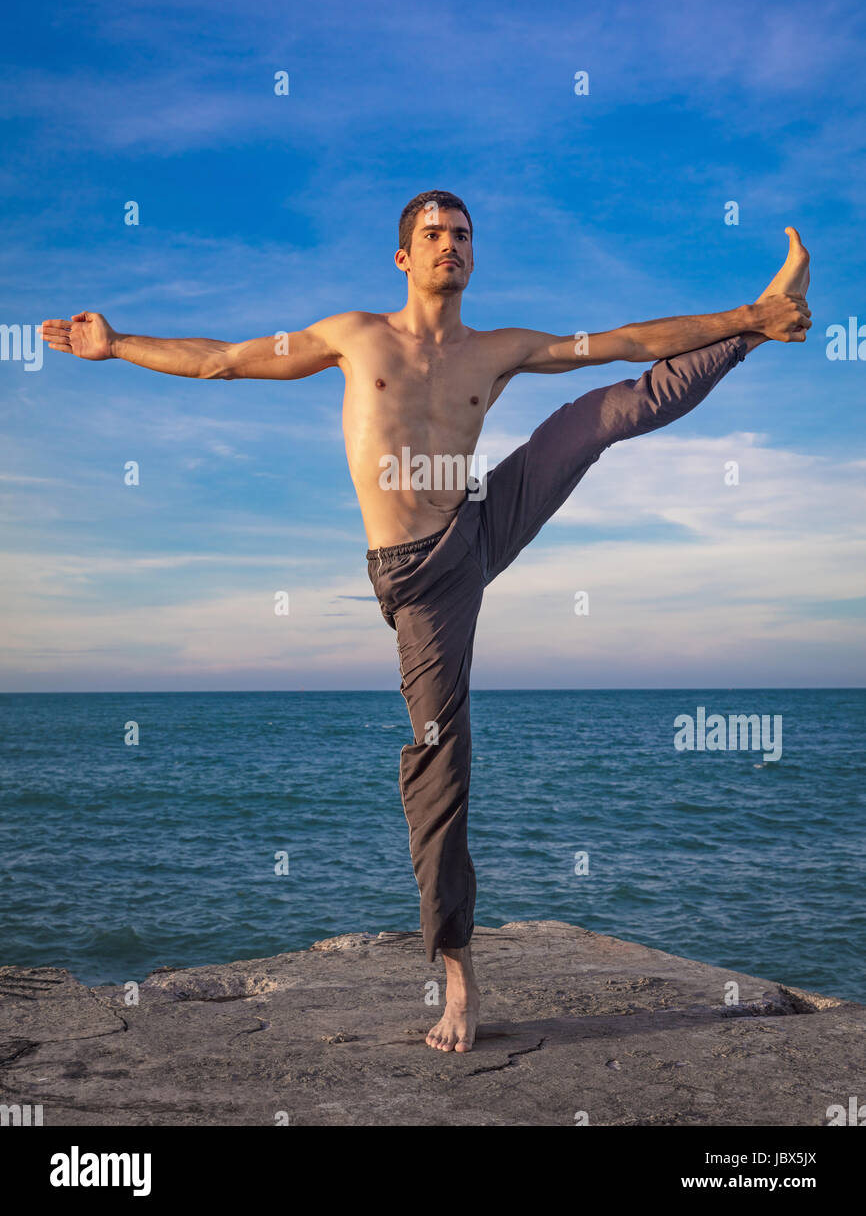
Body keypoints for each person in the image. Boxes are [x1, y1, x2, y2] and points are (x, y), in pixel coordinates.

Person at [39, 190, 811, 1053]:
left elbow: (627, 344)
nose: (450, 245)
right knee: (441, 753)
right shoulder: (352, 335)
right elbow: (222, 360)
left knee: (594, 417)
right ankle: (457, 968)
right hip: (418, 580)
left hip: (482, 520)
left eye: (462, 236)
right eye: (433, 235)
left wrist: (745, 313)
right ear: (403, 257)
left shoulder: (499, 350)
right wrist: (116, 344)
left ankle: (764, 327)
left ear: (472, 257)